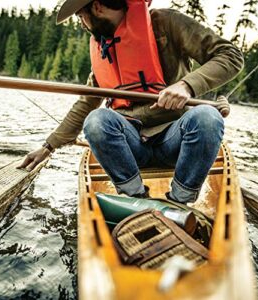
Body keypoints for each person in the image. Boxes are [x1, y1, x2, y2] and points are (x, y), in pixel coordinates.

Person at [18, 0, 244, 203]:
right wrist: (48, 147)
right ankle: (135, 198)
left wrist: (186, 85)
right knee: (96, 120)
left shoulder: (166, 22)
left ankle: (179, 201)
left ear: (97, 7)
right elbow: (86, 103)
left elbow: (230, 56)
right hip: (131, 147)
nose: (83, 24)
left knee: (208, 117)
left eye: (81, 17)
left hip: (175, 141)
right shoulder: (103, 45)